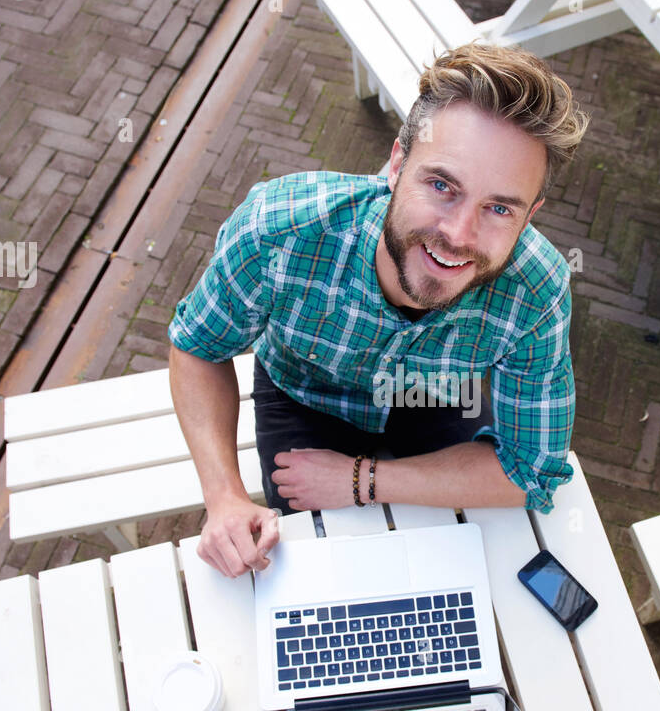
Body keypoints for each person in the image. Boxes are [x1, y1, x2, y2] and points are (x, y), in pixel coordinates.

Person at [168, 41, 589, 578]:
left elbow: (530, 473)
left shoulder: (539, 291)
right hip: (303, 394)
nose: (458, 235)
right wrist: (225, 496)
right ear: (396, 164)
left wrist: (361, 480)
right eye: (442, 185)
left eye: (499, 208)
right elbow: (197, 347)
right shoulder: (278, 229)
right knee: (312, 574)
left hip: (436, 398)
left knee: (464, 564)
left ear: (529, 216)